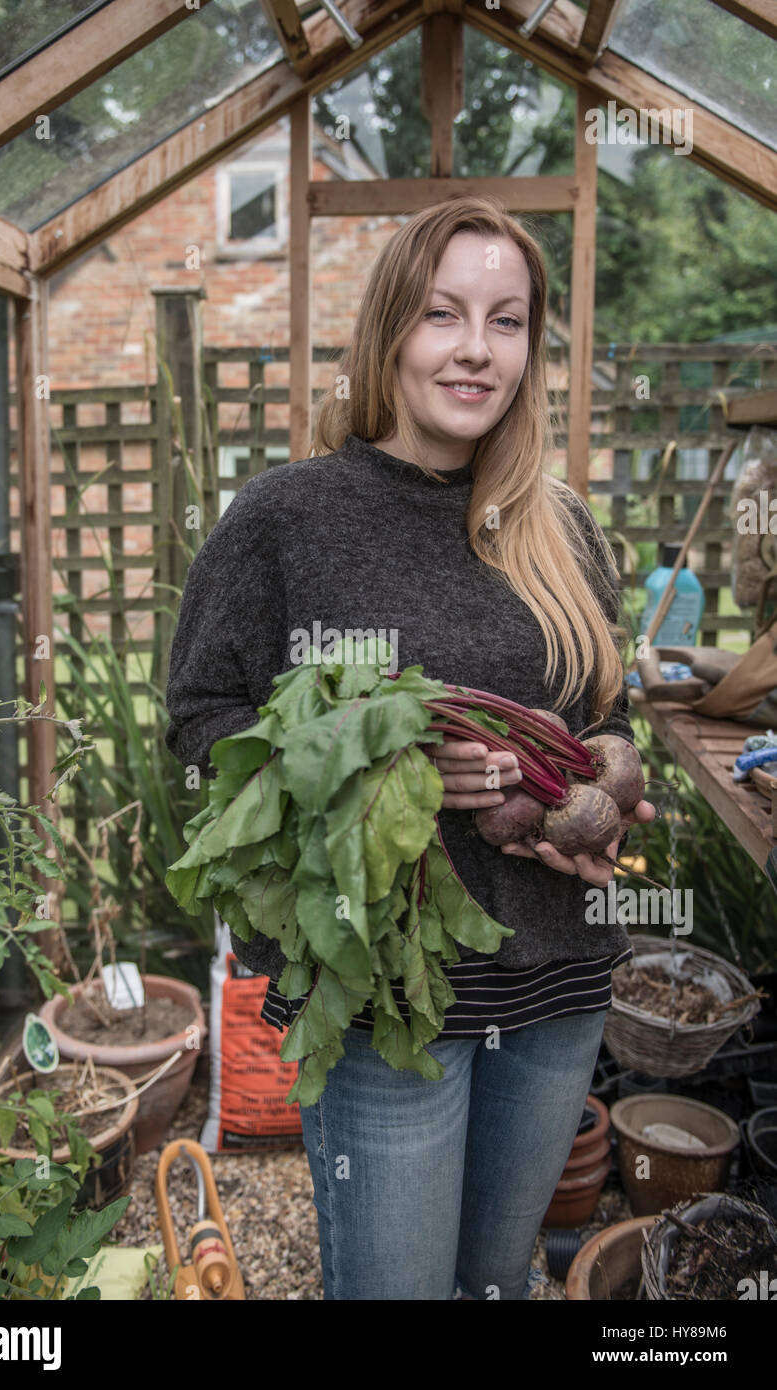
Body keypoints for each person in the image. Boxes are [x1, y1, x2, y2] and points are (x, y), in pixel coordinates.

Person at [165, 194, 656, 1301]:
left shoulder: (559, 523)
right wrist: (396, 770)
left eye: (508, 320)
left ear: (533, 346)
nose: (477, 350)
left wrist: (601, 790)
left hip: (560, 976)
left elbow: (605, 711)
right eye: (444, 315)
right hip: (389, 989)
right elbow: (201, 734)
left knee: (494, 1278)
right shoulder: (286, 521)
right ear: (391, 330)